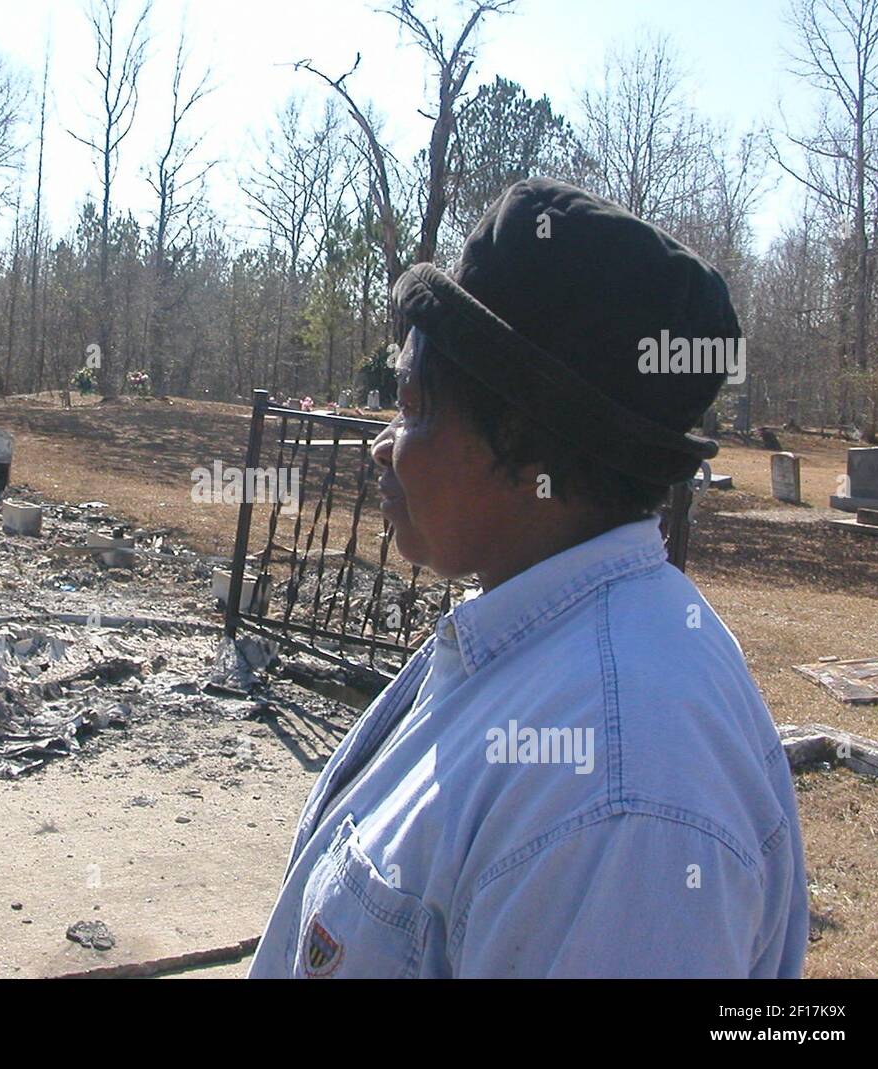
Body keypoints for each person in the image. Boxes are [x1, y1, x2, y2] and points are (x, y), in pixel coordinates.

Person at [248, 177, 808, 979]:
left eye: (411, 404)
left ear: (527, 446)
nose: (383, 444)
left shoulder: (617, 796)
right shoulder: (533, 638)